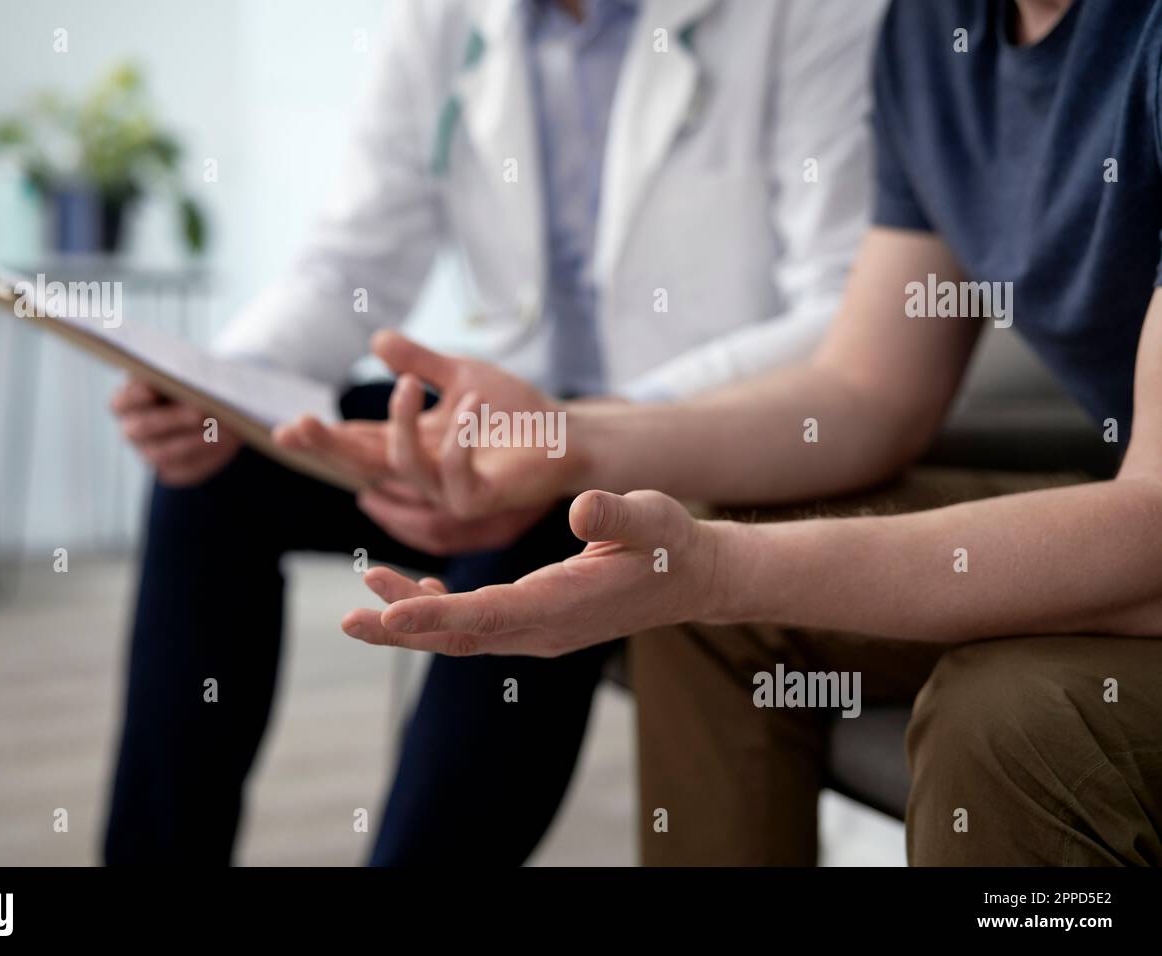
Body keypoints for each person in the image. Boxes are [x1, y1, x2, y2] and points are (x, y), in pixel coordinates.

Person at [325, 0, 1162, 865]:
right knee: (697, 590)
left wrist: (721, 569)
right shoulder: (935, 31)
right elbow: (866, 391)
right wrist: (574, 441)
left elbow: (1155, 532)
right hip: (1121, 485)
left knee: (1013, 721)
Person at [104, 0, 883, 864]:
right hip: (509, 411)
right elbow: (349, 263)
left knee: (554, 524)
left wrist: (583, 433)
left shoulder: (816, 15)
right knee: (222, 467)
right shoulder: (446, 19)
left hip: (695, 430)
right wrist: (223, 389)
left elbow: (848, 309)